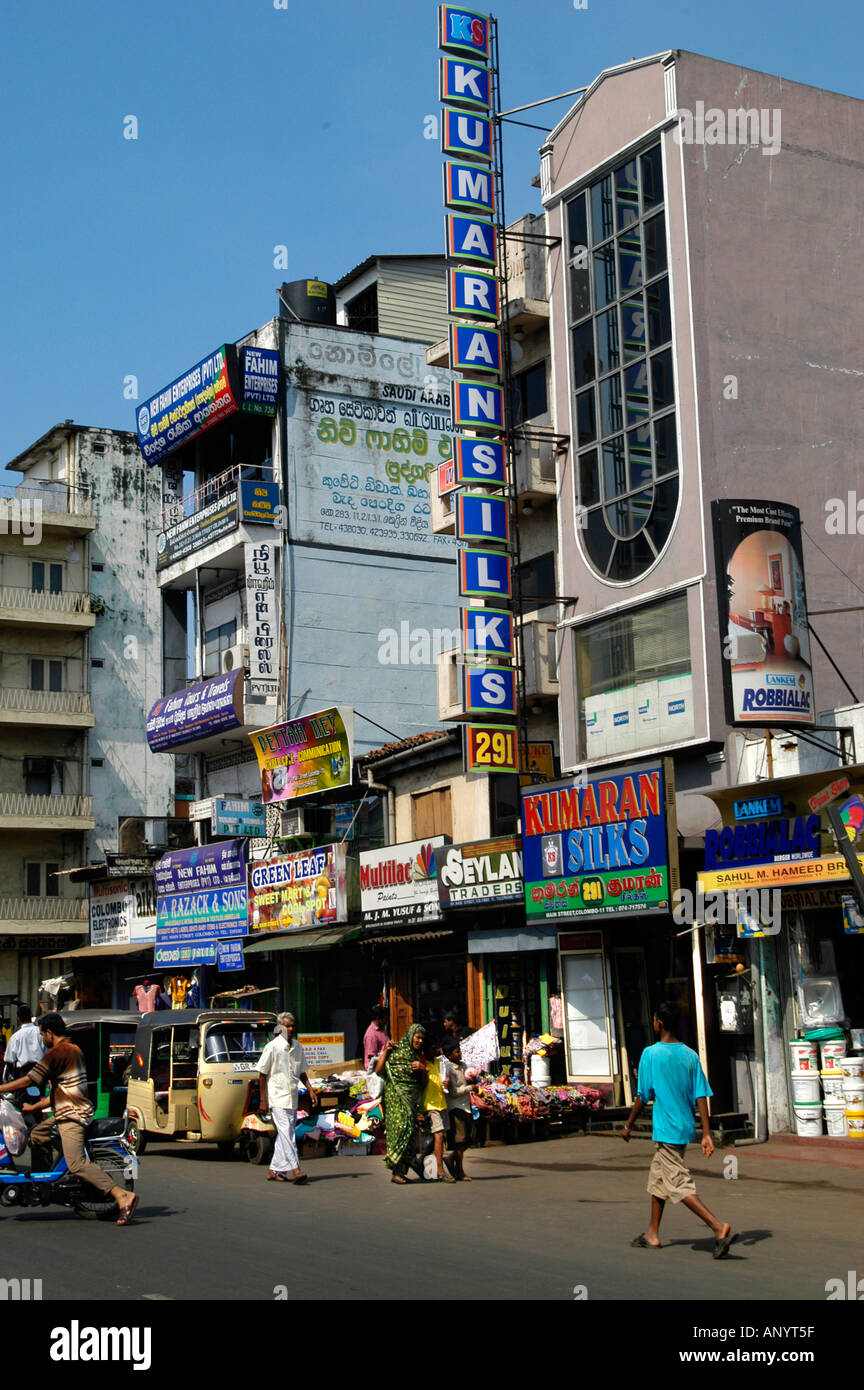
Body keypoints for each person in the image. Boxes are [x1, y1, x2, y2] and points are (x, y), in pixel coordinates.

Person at [0, 1012, 137, 1226]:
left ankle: (121, 1195)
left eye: (42, 1034)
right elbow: (62, 1089)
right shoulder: (73, 1049)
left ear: (49, 1032)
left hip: (72, 1114)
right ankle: (42, 1186)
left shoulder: (59, 1052)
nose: (41, 1039)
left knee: (76, 1164)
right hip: (68, 1108)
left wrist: (1, 1088)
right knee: (37, 1135)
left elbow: (30, 1079)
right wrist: (34, 1106)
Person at [623, 1001, 736, 1258]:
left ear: (659, 1023)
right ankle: (652, 1233)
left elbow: (643, 1095)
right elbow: (701, 1095)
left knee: (678, 1183)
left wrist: (629, 1125)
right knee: (659, 1180)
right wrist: (706, 1133)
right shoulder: (690, 1055)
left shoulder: (650, 1055)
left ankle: (717, 1227)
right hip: (685, 1126)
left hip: (667, 1130)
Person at [257, 1012, 317, 1185]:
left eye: (292, 1026)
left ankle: (273, 1170)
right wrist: (263, 1100)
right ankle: (296, 1169)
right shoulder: (272, 1047)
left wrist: (310, 1090)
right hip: (277, 1097)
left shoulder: (297, 1047)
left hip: (292, 1097)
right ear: (279, 1028)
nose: (290, 1029)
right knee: (287, 1134)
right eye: (287, 1026)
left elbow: (302, 1072)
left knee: (286, 1134)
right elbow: (262, 1074)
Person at [375, 1022, 427, 1184]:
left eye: (422, 1039)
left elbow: (423, 1083)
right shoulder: (395, 1052)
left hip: (411, 1101)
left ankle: (401, 1171)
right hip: (395, 1099)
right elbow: (379, 1071)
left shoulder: (417, 1057)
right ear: (410, 1036)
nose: (420, 1041)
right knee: (399, 1130)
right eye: (417, 1037)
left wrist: (422, 1069)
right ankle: (396, 1171)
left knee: (409, 1135)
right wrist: (385, 1052)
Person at [441, 1036, 474, 1181]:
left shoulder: (464, 1066)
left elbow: (469, 1078)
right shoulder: (449, 1069)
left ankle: (451, 1158)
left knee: (470, 1137)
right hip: (455, 1107)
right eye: (456, 1052)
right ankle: (459, 1171)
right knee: (460, 1140)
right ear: (449, 1055)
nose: (459, 1054)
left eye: (459, 1051)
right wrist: (470, 1088)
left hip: (466, 1106)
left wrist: (473, 1078)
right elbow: (454, 1092)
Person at [421, 1035, 451, 1182]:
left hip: (441, 1102)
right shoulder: (422, 1064)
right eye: (432, 1048)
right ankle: (440, 1170)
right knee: (438, 1135)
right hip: (429, 1105)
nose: (435, 1050)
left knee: (438, 1137)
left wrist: (447, 1082)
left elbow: (446, 1078)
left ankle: (422, 1161)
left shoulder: (441, 1062)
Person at [362, 1005, 390, 1070]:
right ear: (378, 1018)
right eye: (385, 1019)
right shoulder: (371, 1035)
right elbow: (372, 1059)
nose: (386, 1021)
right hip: (375, 1071)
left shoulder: (382, 1029)